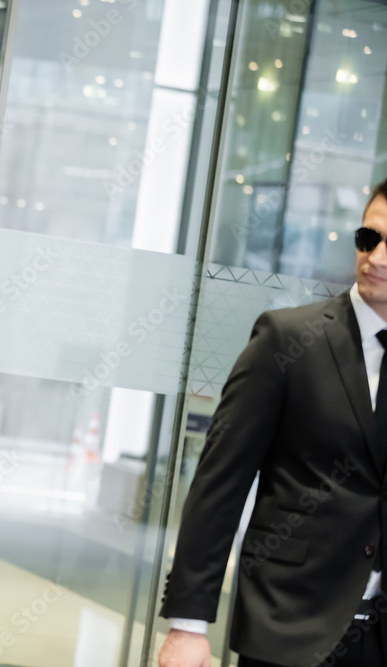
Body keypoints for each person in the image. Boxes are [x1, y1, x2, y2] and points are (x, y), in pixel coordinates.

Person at [159, 178, 387, 667]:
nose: (377, 258)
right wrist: (187, 625)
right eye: (369, 238)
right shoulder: (287, 340)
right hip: (291, 630)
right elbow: (220, 484)